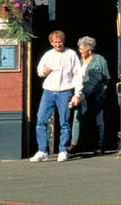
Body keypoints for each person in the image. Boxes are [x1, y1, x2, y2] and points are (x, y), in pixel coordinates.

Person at [30, 30, 83, 164]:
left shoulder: (71, 54)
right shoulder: (48, 55)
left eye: (60, 42)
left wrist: (77, 94)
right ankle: (42, 151)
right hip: (48, 91)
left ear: (63, 41)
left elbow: (78, 75)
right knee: (40, 120)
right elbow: (39, 71)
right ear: (51, 43)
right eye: (55, 42)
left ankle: (62, 150)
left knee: (64, 122)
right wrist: (44, 71)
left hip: (65, 92)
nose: (58, 44)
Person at [69, 36, 111, 154]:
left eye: (82, 49)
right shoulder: (79, 61)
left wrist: (102, 90)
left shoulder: (100, 60)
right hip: (81, 94)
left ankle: (99, 145)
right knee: (77, 117)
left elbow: (107, 77)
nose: (80, 51)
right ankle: (74, 143)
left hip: (97, 95)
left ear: (89, 49)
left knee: (98, 119)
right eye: (79, 48)